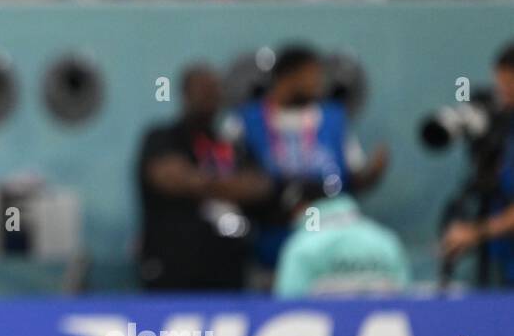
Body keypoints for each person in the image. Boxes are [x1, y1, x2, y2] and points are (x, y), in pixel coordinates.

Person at [233, 44, 389, 269]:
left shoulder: (333, 119)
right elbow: (230, 179)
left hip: (329, 239)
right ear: (289, 76)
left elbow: (352, 178)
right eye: (312, 74)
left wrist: (373, 172)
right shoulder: (245, 121)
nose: (319, 82)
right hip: (269, 234)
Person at [137, 64, 272, 291]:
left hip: (226, 268)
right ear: (185, 93)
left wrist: (198, 182)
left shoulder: (229, 143)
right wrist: (228, 185)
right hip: (172, 267)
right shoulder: (162, 137)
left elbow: (259, 185)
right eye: (203, 89)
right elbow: (168, 179)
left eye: (214, 89)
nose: (210, 96)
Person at [439, 42, 514, 285]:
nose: (503, 96)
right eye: (500, 87)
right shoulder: (504, 133)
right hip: (499, 268)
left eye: (509, 88)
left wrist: (475, 232)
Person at [274, 184, 411, 298]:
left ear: (303, 207)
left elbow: (289, 306)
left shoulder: (301, 247)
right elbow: (406, 299)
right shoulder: (386, 241)